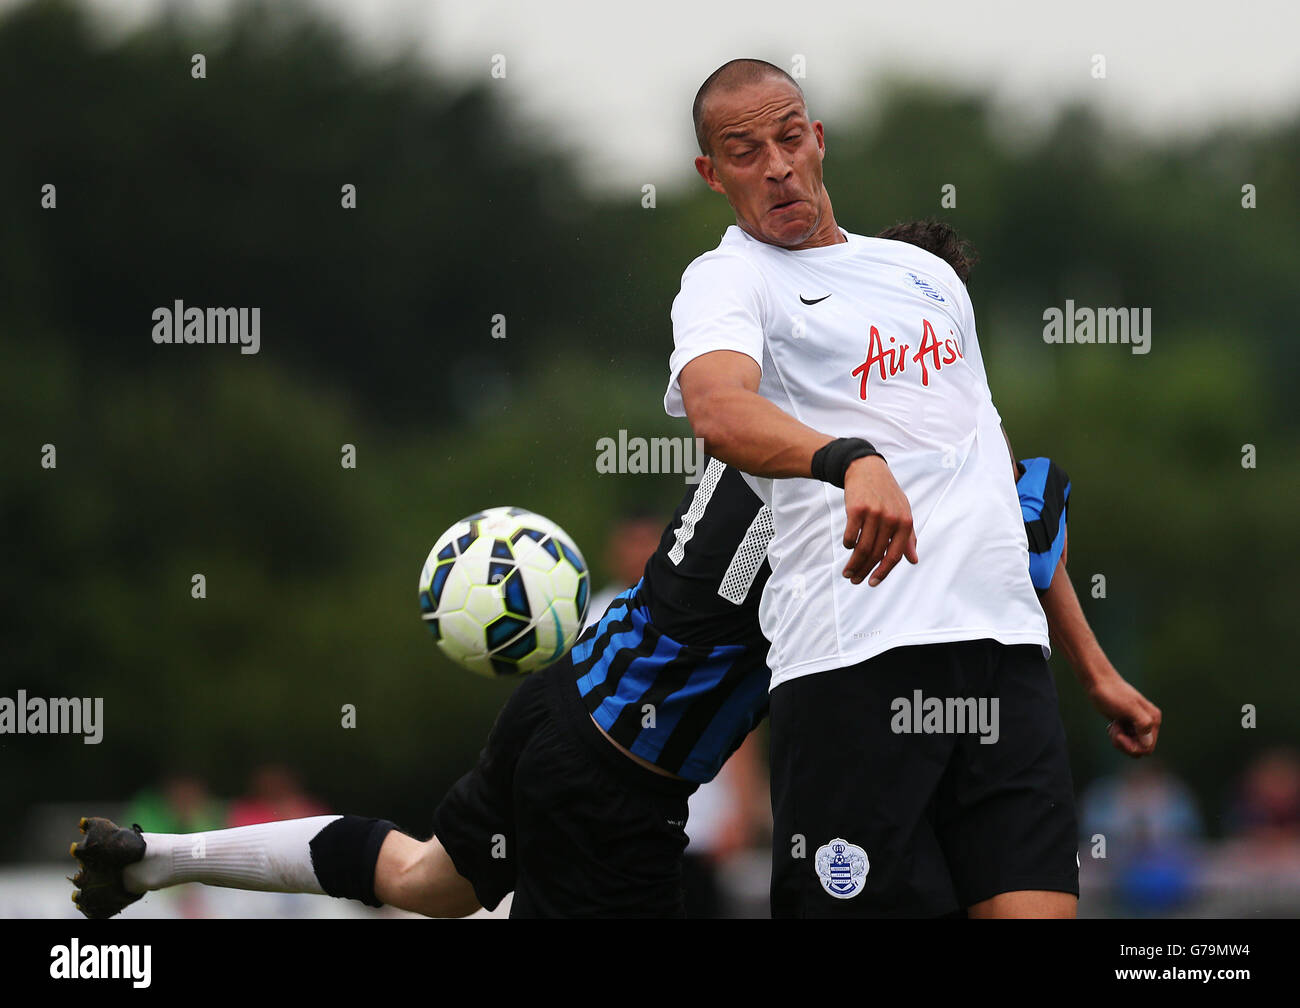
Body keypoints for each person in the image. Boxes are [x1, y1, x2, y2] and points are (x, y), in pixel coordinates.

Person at [70, 220, 1153, 920]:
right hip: (615, 785)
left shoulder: (797, 433)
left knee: (420, 882)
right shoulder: (824, 466)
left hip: (564, 710)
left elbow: (1013, 546)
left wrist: (1096, 670)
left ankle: (156, 861)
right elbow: (989, 541)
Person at [667, 59, 1161, 918]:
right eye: (745, 152)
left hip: (1005, 663)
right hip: (858, 668)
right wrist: (848, 458)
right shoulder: (729, 280)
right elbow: (716, 409)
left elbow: (998, 484)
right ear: (714, 174)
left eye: (789, 137)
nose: (777, 165)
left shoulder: (923, 276)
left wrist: (1091, 666)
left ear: (817, 140)